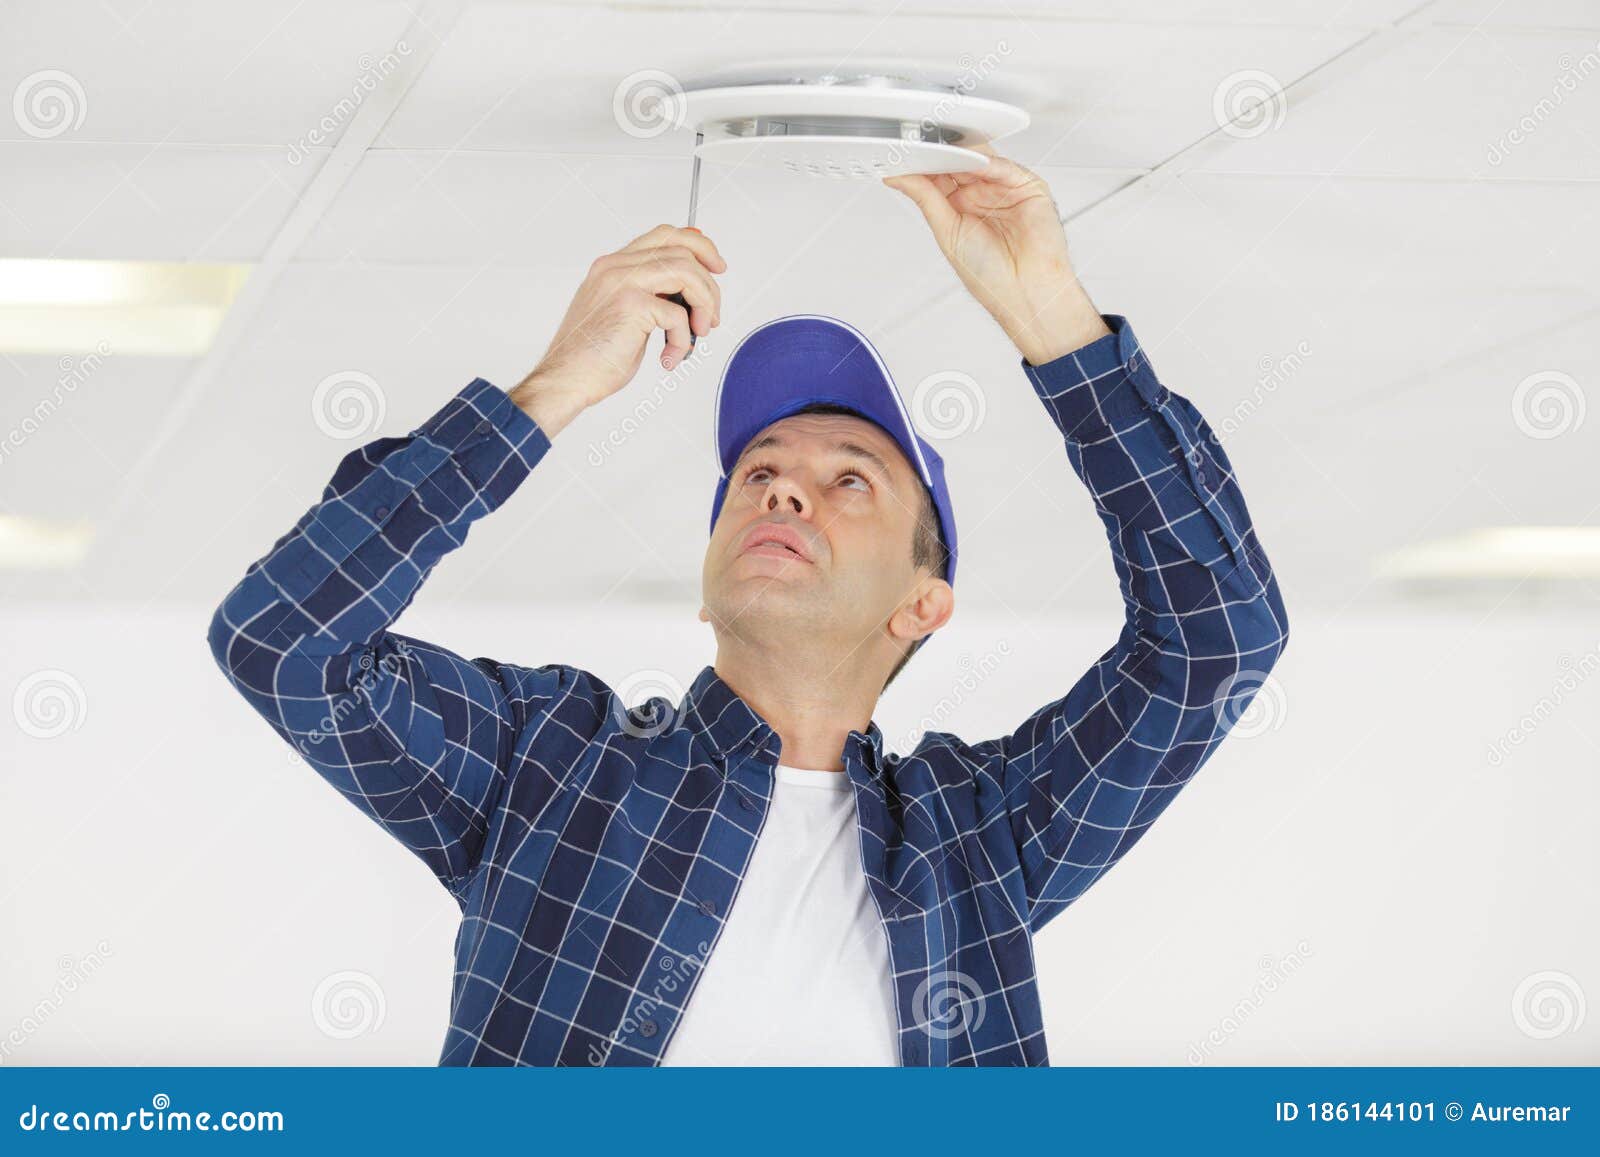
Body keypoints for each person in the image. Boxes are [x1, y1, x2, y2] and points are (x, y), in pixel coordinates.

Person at [207, 147, 1288, 1067]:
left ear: (922, 604)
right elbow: (281, 638)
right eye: (758, 471)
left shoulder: (977, 838)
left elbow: (1218, 640)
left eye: (850, 477)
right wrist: (554, 386)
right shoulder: (550, 764)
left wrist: (1053, 318)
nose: (780, 489)